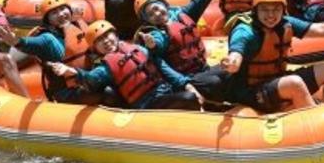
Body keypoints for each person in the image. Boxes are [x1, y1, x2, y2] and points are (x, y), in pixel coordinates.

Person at [133, 0, 237, 100]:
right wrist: (153, 44)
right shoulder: (156, 32)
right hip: (186, 77)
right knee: (215, 82)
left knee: (232, 69)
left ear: (165, 6)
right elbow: (159, 43)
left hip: (203, 68)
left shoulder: (184, 14)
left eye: (157, 8)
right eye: (151, 14)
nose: (157, 14)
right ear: (147, 20)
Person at [48, 20, 206, 111]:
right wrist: (73, 71)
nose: (106, 41)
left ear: (115, 35)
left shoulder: (139, 49)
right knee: (189, 98)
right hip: (146, 105)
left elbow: (164, 68)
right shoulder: (105, 67)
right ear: (95, 49)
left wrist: (185, 84)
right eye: (100, 41)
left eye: (108, 36)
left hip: (165, 92)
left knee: (194, 91)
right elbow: (91, 78)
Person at [0, 0, 106, 104]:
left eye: (62, 9)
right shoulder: (47, 39)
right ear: (48, 20)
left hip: (88, 79)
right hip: (68, 91)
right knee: (107, 93)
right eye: (54, 13)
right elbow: (26, 43)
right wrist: (14, 40)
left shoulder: (79, 27)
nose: (61, 14)